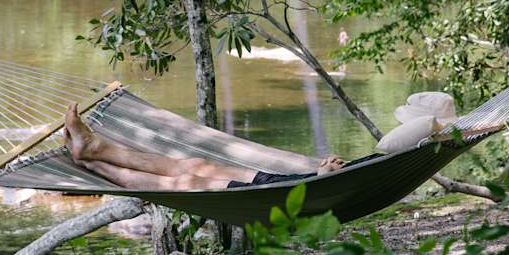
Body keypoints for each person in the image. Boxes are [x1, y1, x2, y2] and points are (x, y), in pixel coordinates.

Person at [63, 103, 346, 191]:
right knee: (198, 165)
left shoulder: (383, 170)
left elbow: (328, 194)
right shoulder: (376, 162)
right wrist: (322, 172)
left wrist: (322, 179)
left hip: (284, 193)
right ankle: (94, 149)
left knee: (185, 182)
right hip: (285, 183)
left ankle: (92, 160)